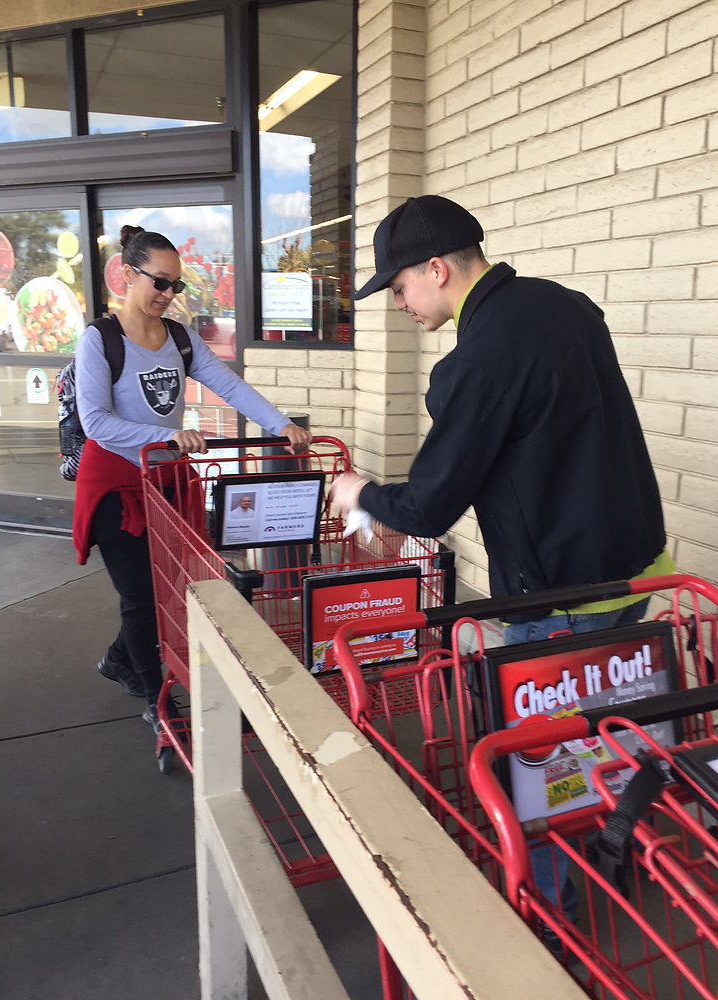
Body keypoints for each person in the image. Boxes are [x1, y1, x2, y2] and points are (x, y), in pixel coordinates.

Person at [330, 194, 674, 935]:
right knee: (607, 732)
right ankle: (616, 851)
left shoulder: (480, 360)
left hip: (558, 598)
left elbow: (427, 506)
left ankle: (547, 915)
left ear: (435, 267)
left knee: (539, 766)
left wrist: (361, 493)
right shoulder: (566, 305)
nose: (398, 304)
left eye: (398, 287)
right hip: (639, 571)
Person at [73, 226, 312, 733]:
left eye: (176, 286)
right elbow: (94, 421)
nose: (167, 295)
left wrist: (281, 424)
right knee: (142, 594)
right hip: (118, 483)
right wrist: (166, 437)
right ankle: (152, 693)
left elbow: (227, 383)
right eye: (159, 283)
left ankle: (121, 659)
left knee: (173, 585)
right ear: (127, 274)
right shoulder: (101, 338)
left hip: (167, 480)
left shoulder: (179, 338)